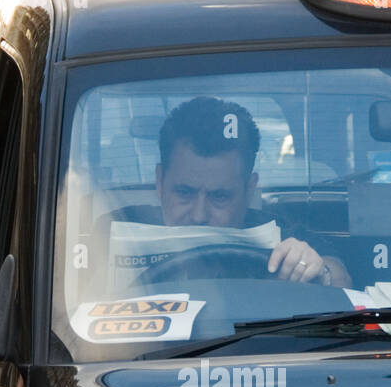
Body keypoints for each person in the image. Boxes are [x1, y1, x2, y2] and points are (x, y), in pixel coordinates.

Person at [108, 96, 350, 287]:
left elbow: (341, 277)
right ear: (159, 182)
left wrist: (319, 271)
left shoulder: (275, 234)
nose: (199, 215)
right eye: (184, 192)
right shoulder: (118, 227)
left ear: (248, 191)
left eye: (219, 196)